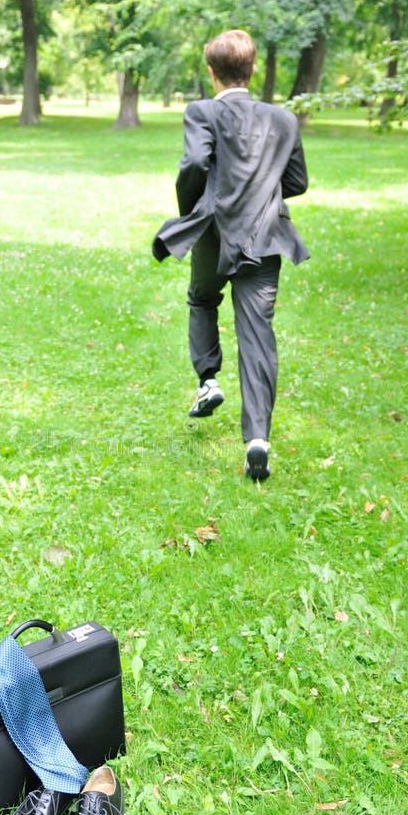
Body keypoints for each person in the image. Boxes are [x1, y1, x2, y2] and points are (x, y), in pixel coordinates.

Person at [153, 29, 309, 481]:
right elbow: (296, 181)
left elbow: (195, 165)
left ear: (211, 71)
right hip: (264, 236)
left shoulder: (201, 112)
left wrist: (192, 212)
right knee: (257, 331)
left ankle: (208, 382)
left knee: (202, 299)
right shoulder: (283, 120)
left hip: (214, 233)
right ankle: (257, 438)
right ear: (253, 68)